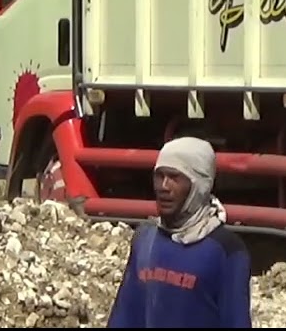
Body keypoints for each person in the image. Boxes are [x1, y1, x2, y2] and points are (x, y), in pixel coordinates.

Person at [107, 136, 252, 328]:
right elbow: (125, 315)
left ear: (199, 185)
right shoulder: (145, 239)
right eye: (159, 176)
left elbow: (236, 321)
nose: (163, 187)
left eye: (175, 178)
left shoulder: (225, 250)